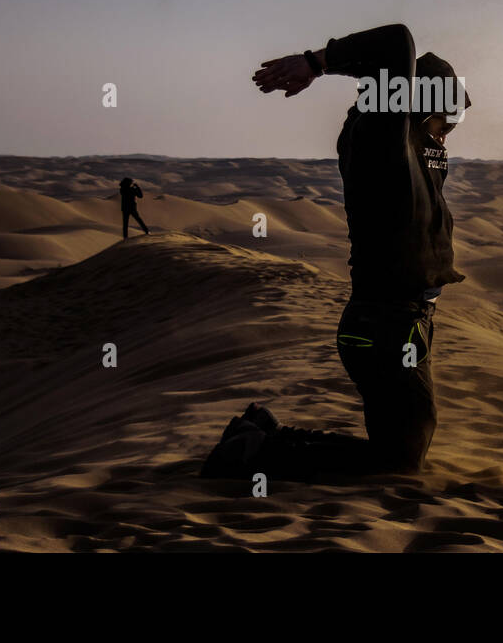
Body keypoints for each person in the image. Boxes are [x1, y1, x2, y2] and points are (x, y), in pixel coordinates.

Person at [200, 24, 470, 481]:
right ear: (413, 102)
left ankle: (262, 436)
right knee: (398, 464)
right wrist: (314, 63)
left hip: (401, 323)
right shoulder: (384, 139)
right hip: (384, 325)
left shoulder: (408, 146)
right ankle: (256, 455)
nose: (447, 136)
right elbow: (397, 41)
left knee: (402, 450)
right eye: (444, 122)